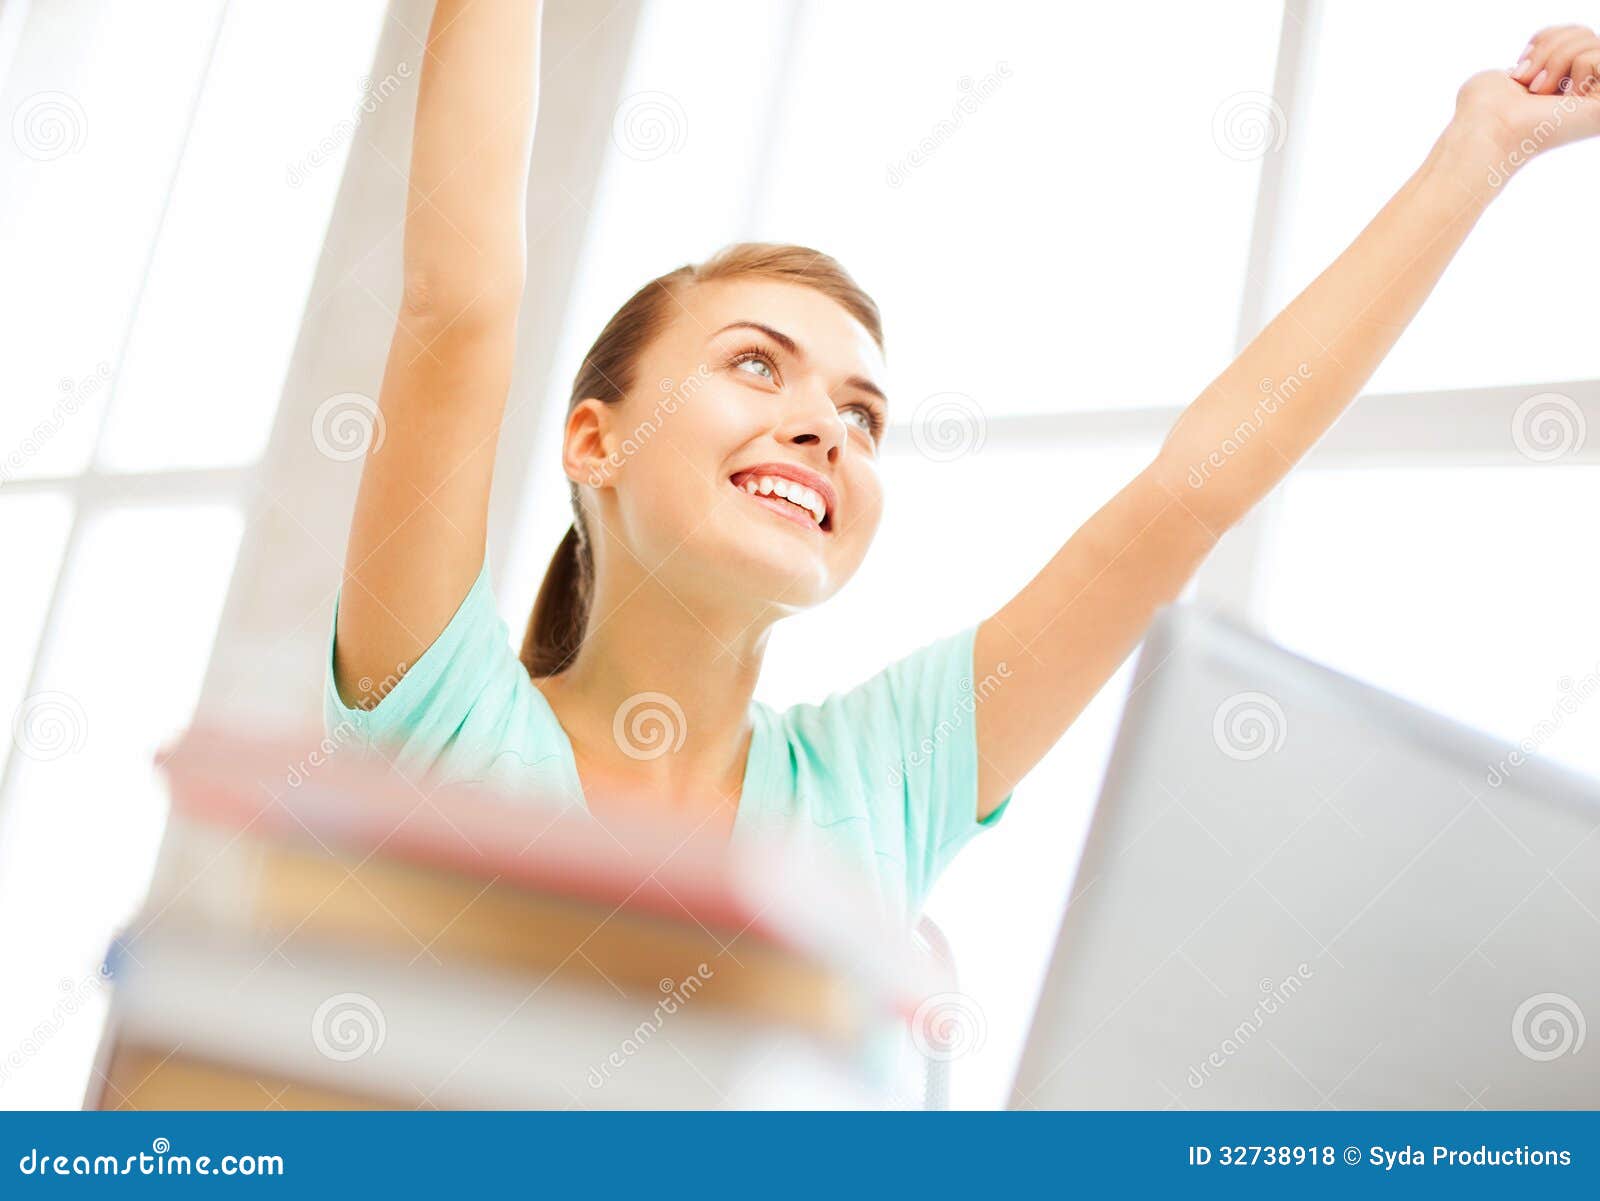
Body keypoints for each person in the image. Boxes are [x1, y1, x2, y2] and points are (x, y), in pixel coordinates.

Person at [326, 2, 1600, 926]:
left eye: (864, 413)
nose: (827, 428)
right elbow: (461, 303)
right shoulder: (438, 724)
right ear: (594, 440)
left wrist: (1476, 155)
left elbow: (1196, 486)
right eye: (757, 366)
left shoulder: (882, 779)